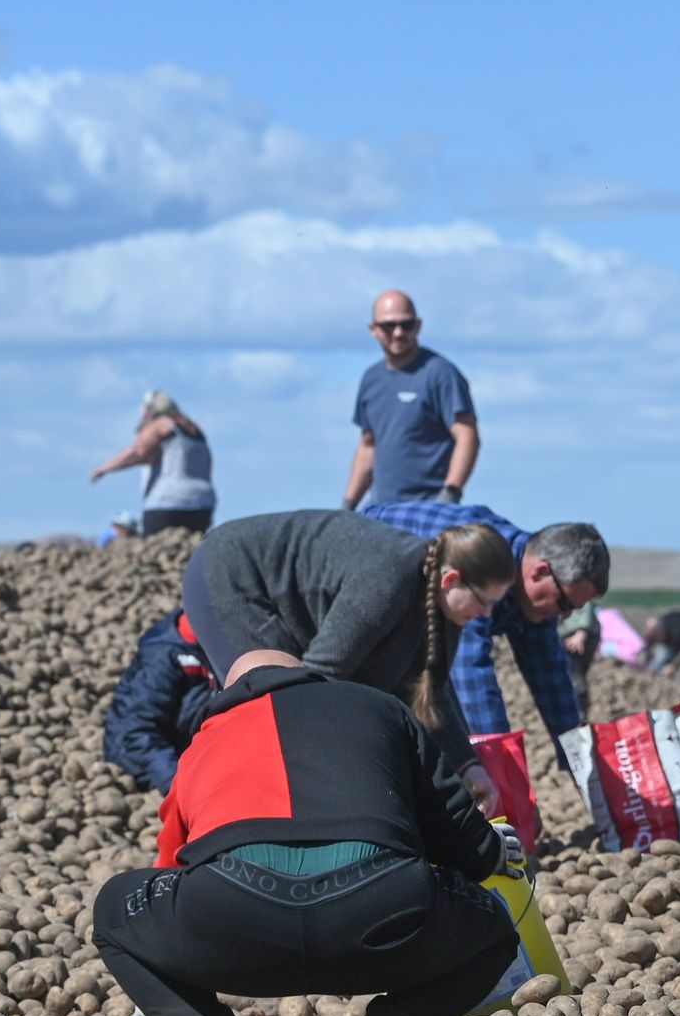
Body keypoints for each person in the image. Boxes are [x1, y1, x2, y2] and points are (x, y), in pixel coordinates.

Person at [92, 651, 524, 1016]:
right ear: (307, 673)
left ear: (226, 691)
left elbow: (168, 868)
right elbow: (460, 837)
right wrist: (492, 850)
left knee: (114, 911)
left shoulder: (200, 743)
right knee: (495, 929)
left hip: (237, 928)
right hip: (379, 918)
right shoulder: (377, 706)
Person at [181, 511, 515, 813]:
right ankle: (236, 816)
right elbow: (320, 677)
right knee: (274, 700)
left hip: (288, 605)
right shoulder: (387, 579)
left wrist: (468, 766)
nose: (486, 615)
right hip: (230, 574)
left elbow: (430, 693)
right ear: (450, 579)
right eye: (484, 602)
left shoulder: (442, 608)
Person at [362, 502, 608, 756]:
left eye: (574, 609)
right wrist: (501, 767)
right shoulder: (485, 568)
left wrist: (583, 764)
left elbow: (551, 678)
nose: (565, 615)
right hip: (368, 572)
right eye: (565, 603)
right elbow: (471, 674)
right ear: (540, 572)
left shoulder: (536, 600)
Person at [343, 290, 477, 510]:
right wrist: (348, 505)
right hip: (381, 509)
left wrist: (450, 494)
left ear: (418, 326)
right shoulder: (371, 379)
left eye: (406, 325)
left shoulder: (440, 373)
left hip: (428, 506)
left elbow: (467, 435)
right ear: (373, 329)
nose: (398, 333)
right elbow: (368, 445)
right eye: (389, 326)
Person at [101, 613, 215, 793]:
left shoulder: (231, 647)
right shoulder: (163, 657)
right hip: (160, 760)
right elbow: (133, 734)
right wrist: (185, 788)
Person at [90, 390, 216, 536]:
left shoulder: (162, 424)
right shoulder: (196, 431)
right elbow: (208, 465)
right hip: (204, 504)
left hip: (167, 502)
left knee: (156, 550)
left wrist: (103, 468)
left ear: (150, 409)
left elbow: (138, 452)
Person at [559, 601, 600, 714]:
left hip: (574, 635)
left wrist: (582, 631)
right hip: (570, 633)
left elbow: (586, 601)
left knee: (575, 675)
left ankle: (579, 714)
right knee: (575, 674)